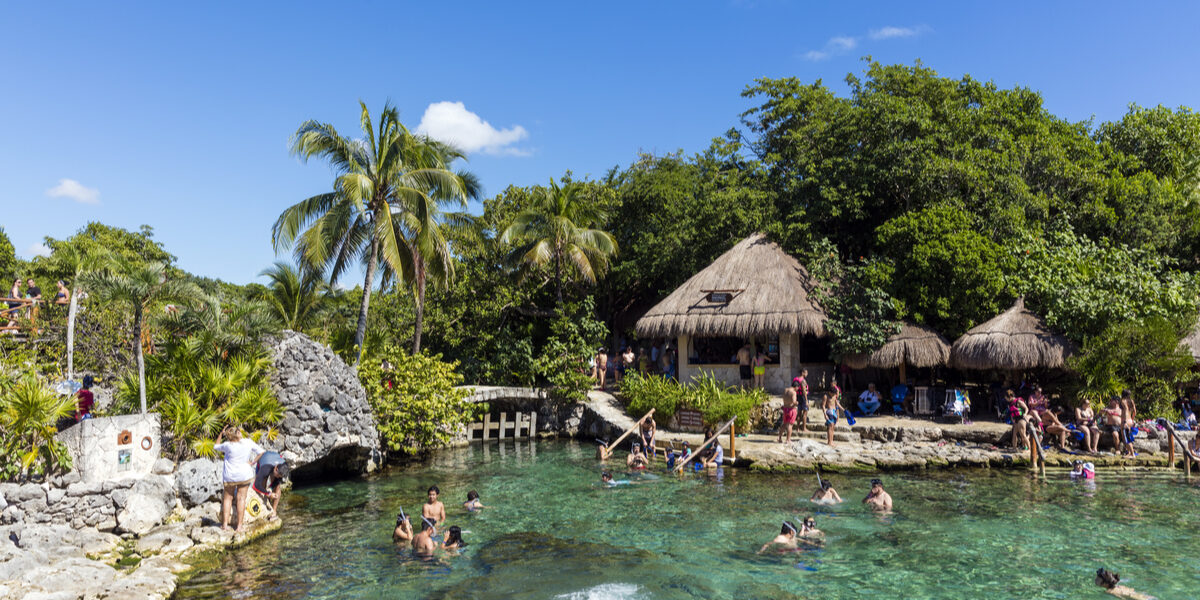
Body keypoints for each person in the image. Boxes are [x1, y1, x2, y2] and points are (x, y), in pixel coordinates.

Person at [214, 426, 264, 532]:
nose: (240, 431)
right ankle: (239, 527)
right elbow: (261, 452)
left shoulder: (227, 445)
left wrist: (220, 434)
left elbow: (216, 446)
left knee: (228, 499)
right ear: (237, 434)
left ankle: (225, 525)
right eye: (238, 431)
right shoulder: (248, 442)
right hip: (244, 475)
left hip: (230, 476)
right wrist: (253, 462)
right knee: (241, 499)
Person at [252, 456, 287, 520]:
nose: (278, 477)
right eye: (277, 475)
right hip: (263, 462)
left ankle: (274, 511)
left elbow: (278, 481)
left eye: (280, 476)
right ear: (276, 469)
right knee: (263, 485)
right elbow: (256, 485)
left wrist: (270, 488)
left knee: (277, 487)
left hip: (273, 461)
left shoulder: (284, 467)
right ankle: (263, 506)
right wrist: (268, 494)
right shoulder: (265, 468)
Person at [1120, 390, 1137, 457]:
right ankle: (1129, 453)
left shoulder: (1123, 401)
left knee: (1126, 438)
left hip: (1125, 421)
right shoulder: (1131, 401)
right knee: (1126, 437)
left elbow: (1125, 412)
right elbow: (1134, 412)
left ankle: (1132, 454)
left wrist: (1124, 422)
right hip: (1130, 421)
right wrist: (1131, 420)